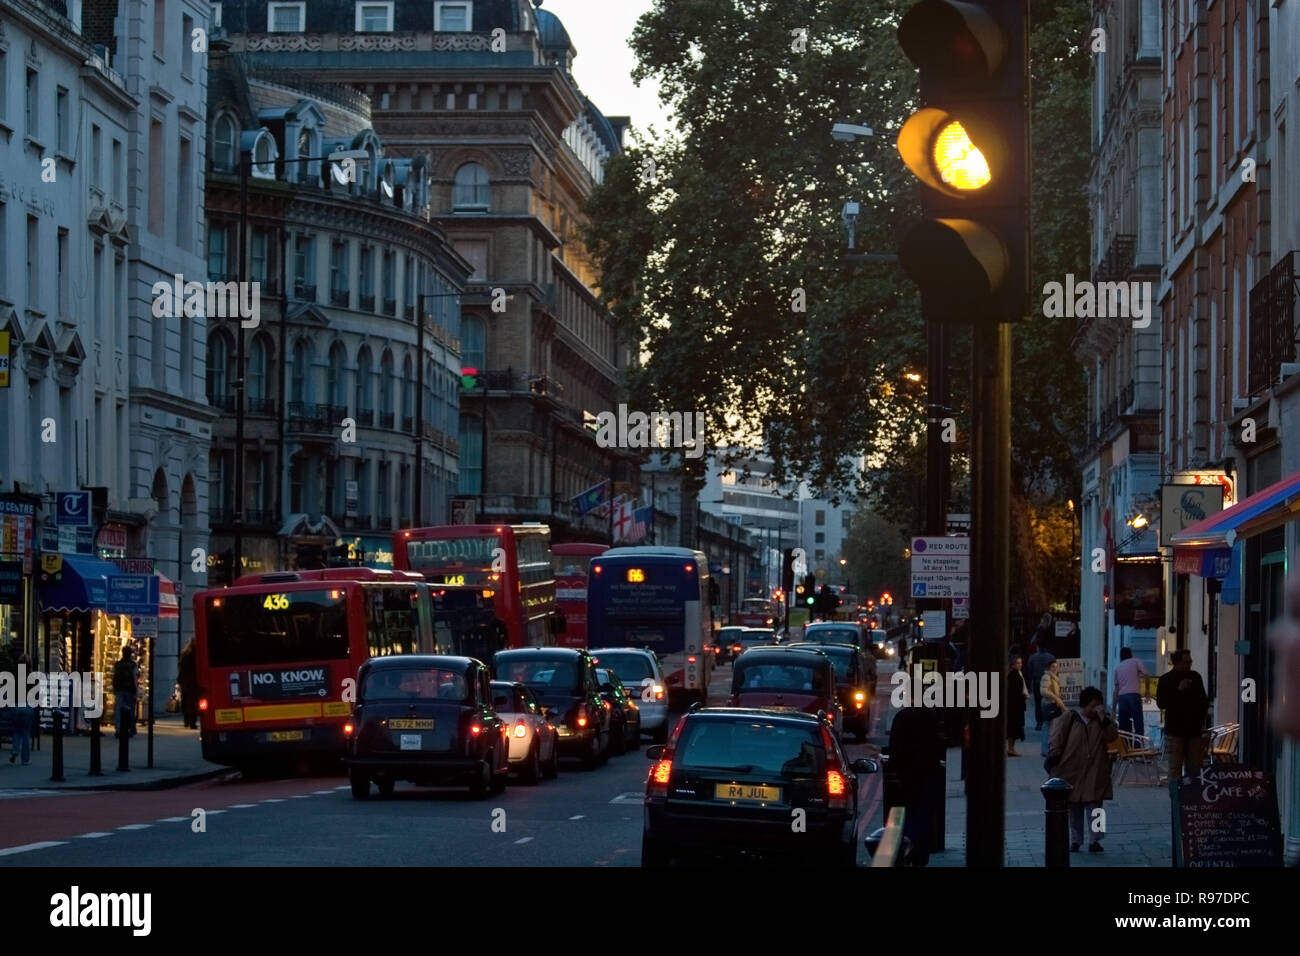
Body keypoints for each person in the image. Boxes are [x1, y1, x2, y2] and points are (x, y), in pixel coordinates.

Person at [1045, 686, 1118, 853]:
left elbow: (1112, 737)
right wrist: (1055, 759)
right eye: (1093, 706)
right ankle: (1076, 840)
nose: (1096, 709)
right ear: (1084, 705)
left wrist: (1103, 719)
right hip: (1072, 770)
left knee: (1096, 807)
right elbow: (1056, 739)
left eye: (1098, 705)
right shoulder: (1069, 718)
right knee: (1074, 808)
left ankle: (1096, 840)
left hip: (1095, 770)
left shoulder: (1102, 720)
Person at [1155, 649, 1209, 779]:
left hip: (1194, 731)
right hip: (1175, 732)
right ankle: (1176, 797)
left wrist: (1200, 721)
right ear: (1176, 662)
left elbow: (1203, 701)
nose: (1188, 665)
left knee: (1195, 768)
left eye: (1190, 662)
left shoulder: (1195, 677)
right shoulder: (1166, 680)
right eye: (1185, 662)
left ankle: (1192, 796)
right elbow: (1161, 703)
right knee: (1175, 768)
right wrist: (1178, 690)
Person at [1112, 647, 1149, 738]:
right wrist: (1147, 690)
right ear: (1131, 654)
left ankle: (1126, 747)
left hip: (1122, 698)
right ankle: (1138, 747)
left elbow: (1116, 689)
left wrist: (1113, 708)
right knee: (1138, 724)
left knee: (1124, 727)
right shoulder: (1136, 661)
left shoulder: (1118, 668)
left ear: (1121, 656)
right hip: (1134, 695)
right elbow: (1146, 675)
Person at [8, 654, 34, 765]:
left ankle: (14, 750)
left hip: (16, 706)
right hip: (27, 706)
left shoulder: (14, 676)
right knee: (25, 733)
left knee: (17, 731)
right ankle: (25, 759)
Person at [1026, 641, 1056, 731]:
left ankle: (1039, 723)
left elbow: (1029, 672)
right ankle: (1047, 720)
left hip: (1037, 682)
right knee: (1049, 702)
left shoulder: (1032, 658)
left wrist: (1028, 686)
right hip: (1049, 682)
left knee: (1038, 703)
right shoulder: (1051, 657)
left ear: (1038, 647)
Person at [1039, 660, 1065, 757]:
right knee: (1048, 727)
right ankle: (1046, 750)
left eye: (1056, 666)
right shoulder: (1047, 677)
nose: (1055, 668)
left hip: (1053, 704)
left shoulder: (1054, 677)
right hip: (1049, 704)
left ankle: (1047, 749)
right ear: (1049, 668)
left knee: (1051, 727)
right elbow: (1043, 691)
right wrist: (1055, 697)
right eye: (1053, 667)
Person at [112, 645, 138, 739]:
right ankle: (130, 729)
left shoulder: (117, 664)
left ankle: (119, 729)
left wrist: (114, 688)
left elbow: (114, 677)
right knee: (130, 710)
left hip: (119, 689)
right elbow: (134, 678)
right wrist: (136, 690)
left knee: (119, 710)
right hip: (129, 690)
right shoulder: (133, 665)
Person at [1006, 654, 1028, 756]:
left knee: (1014, 728)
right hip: (1014, 706)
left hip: (1016, 705)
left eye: (1021, 663)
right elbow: (1014, 691)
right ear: (1013, 664)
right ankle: (1011, 748)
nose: (1020, 665)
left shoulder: (1018, 674)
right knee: (1013, 728)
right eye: (1018, 663)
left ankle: (1011, 748)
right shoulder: (1013, 675)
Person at [178, 638, 199, 729]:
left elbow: (180, 667)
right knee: (192, 701)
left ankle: (186, 720)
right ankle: (192, 722)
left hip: (184, 680)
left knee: (185, 699)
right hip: (192, 680)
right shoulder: (195, 654)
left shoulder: (184, 654)